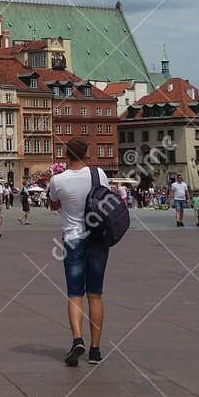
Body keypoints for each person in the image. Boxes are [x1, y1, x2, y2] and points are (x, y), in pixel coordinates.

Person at [47, 139, 112, 366]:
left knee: (75, 293)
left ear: (66, 154)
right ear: (87, 154)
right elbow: (107, 198)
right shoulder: (99, 174)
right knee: (95, 294)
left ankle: (77, 340)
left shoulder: (58, 180)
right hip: (97, 238)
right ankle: (95, 350)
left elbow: (53, 203)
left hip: (73, 240)